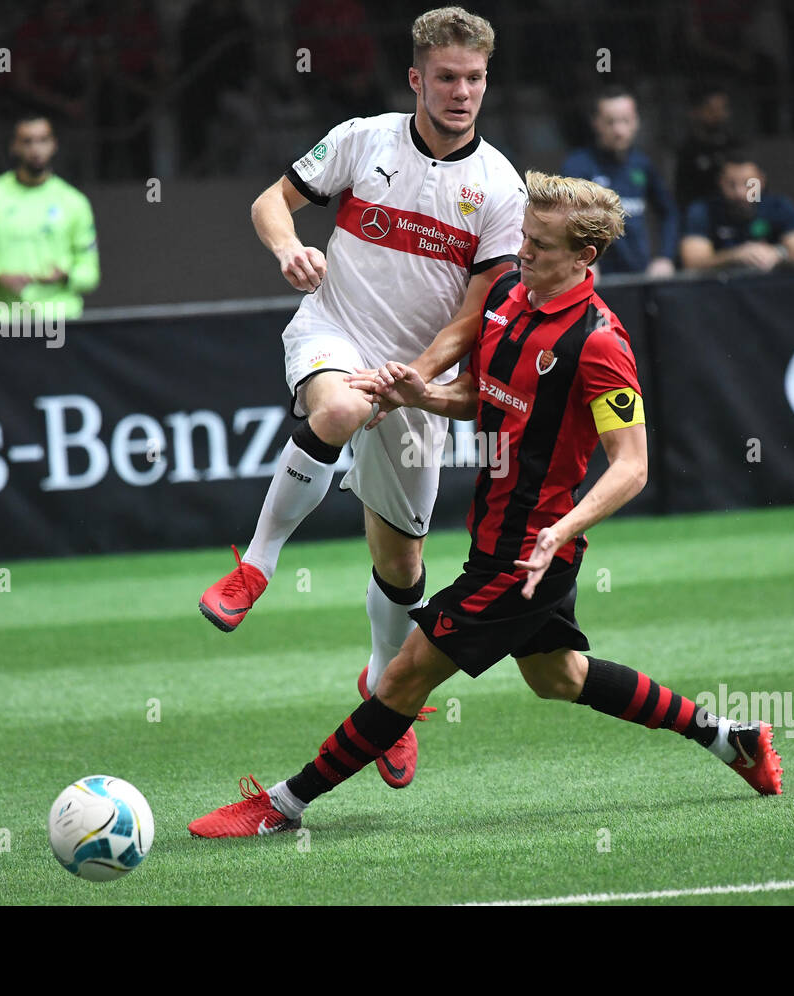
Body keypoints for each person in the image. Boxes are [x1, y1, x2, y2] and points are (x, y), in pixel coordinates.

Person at [187, 172, 782, 839]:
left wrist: (562, 530)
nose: (521, 251)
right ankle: (729, 737)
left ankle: (280, 806)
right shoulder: (505, 293)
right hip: (502, 539)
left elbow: (633, 468)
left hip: (525, 556)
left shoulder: (601, 343)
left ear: (585, 258)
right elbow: (481, 395)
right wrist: (421, 394)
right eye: (524, 236)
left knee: (403, 677)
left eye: (541, 245)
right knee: (559, 676)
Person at [197, 7, 524, 790]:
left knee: (402, 561)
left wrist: (416, 376)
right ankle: (257, 565)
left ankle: (386, 695)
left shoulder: (500, 188)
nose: (461, 92)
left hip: (415, 380)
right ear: (417, 78)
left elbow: (476, 314)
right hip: (334, 333)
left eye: (473, 79)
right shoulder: (362, 138)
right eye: (445, 77)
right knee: (337, 411)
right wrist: (289, 249)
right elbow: (269, 202)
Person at [0, 115, 101, 320]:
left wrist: (66, 275)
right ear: (14, 146)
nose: (35, 150)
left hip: (61, 322)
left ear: (54, 145)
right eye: (27, 141)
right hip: (5, 323)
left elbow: (90, 273)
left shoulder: (74, 202)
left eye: (43, 140)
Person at [561, 86, 676, 279]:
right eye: (610, 122)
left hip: (640, 276)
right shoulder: (578, 166)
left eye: (625, 121)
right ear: (596, 123)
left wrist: (666, 256)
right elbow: (563, 219)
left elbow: (669, 212)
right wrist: (580, 260)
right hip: (596, 278)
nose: (619, 130)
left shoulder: (643, 164)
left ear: (636, 122)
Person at [680, 149, 794, 271]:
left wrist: (778, 253)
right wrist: (735, 255)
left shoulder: (779, 206)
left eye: (749, 184)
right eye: (731, 185)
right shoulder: (703, 210)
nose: (740, 193)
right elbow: (693, 262)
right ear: (720, 182)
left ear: (761, 181)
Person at [674, 83, 738, 213]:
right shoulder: (687, 152)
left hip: (737, 217)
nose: (719, 115)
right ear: (695, 112)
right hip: (701, 220)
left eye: (722, 109)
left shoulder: (736, 148)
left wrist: (755, 207)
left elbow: (754, 180)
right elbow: (682, 196)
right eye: (712, 109)